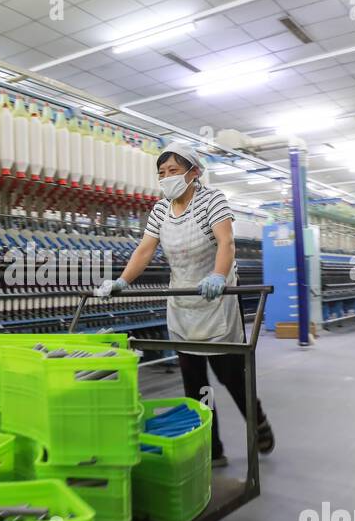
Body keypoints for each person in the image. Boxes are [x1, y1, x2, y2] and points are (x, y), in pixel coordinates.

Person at [97, 139, 273, 466]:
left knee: (230, 376)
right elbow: (145, 250)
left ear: (193, 172)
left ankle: (257, 420)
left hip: (216, 301)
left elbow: (227, 242)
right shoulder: (161, 209)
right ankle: (212, 448)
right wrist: (123, 280)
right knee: (194, 383)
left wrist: (219, 277)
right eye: (161, 172)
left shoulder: (212, 199)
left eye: (173, 170)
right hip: (181, 303)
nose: (166, 177)